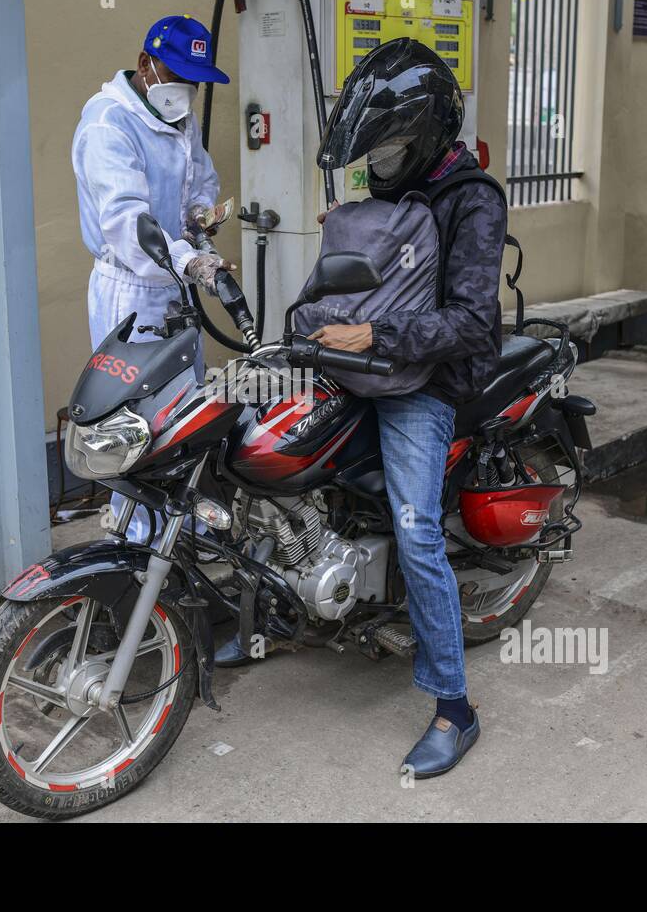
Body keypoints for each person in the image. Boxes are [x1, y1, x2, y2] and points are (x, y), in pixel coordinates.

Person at [220, 40, 506, 780]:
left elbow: (475, 324)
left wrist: (377, 331)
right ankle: (274, 615)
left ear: (429, 135)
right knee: (261, 460)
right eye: (372, 153)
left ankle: (453, 708)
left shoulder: (474, 200)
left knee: (416, 535)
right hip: (353, 366)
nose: (378, 165)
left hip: (423, 382)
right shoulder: (380, 181)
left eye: (390, 150)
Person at [72, 15, 234, 541]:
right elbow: (127, 223)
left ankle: (181, 541)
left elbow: (197, 180)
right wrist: (188, 260)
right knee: (137, 423)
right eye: (177, 75)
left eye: (195, 82)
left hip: (174, 283)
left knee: (183, 415)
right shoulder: (108, 125)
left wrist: (200, 217)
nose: (185, 91)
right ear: (146, 64)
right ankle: (139, 549)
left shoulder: (181, 120)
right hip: (131, 289)